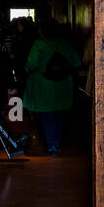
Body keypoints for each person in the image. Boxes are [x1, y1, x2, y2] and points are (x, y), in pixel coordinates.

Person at [23, 19, 80, 155]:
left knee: (47, 116)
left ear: (43, 30)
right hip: (63, 85)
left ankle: (52, 146)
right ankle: (57, 144)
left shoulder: (39, 44)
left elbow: (31, 64)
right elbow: (77, 62)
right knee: (58, 116)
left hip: (44, 86)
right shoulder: (65, 43)